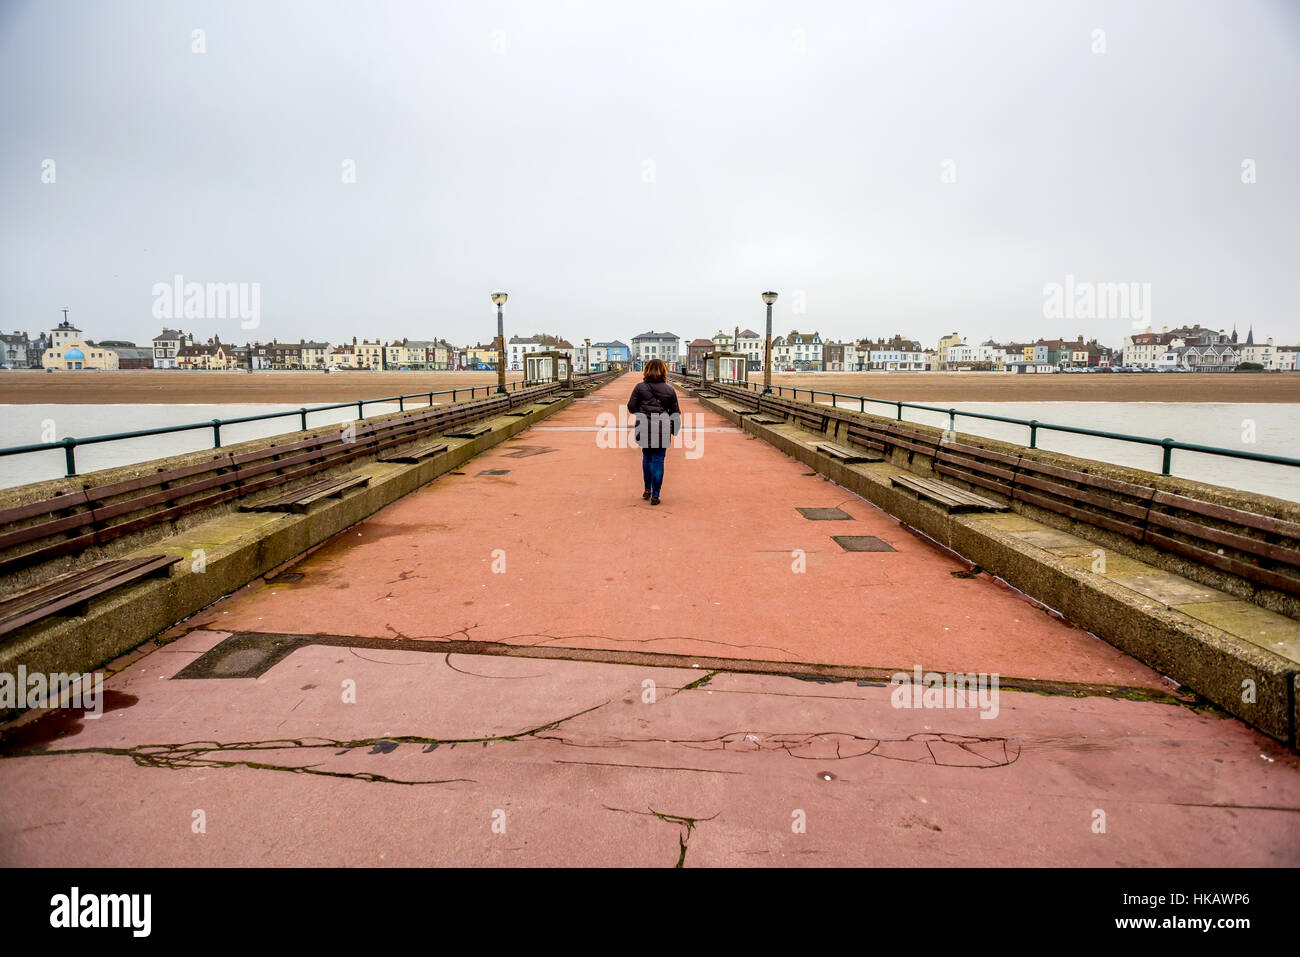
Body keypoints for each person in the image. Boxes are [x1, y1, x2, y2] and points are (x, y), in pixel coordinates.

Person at [627, 358, 680, 505]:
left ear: (646, 370)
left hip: (644, 426)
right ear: (664, 371)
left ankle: (647, 489)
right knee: (659, 460)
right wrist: (674, 430)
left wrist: (642, 413)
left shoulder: (639, 387)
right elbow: (675, 412)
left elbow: (631, 407)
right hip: (662, 427)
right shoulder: (669, 390)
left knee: (647, 458)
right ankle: (656, 495)